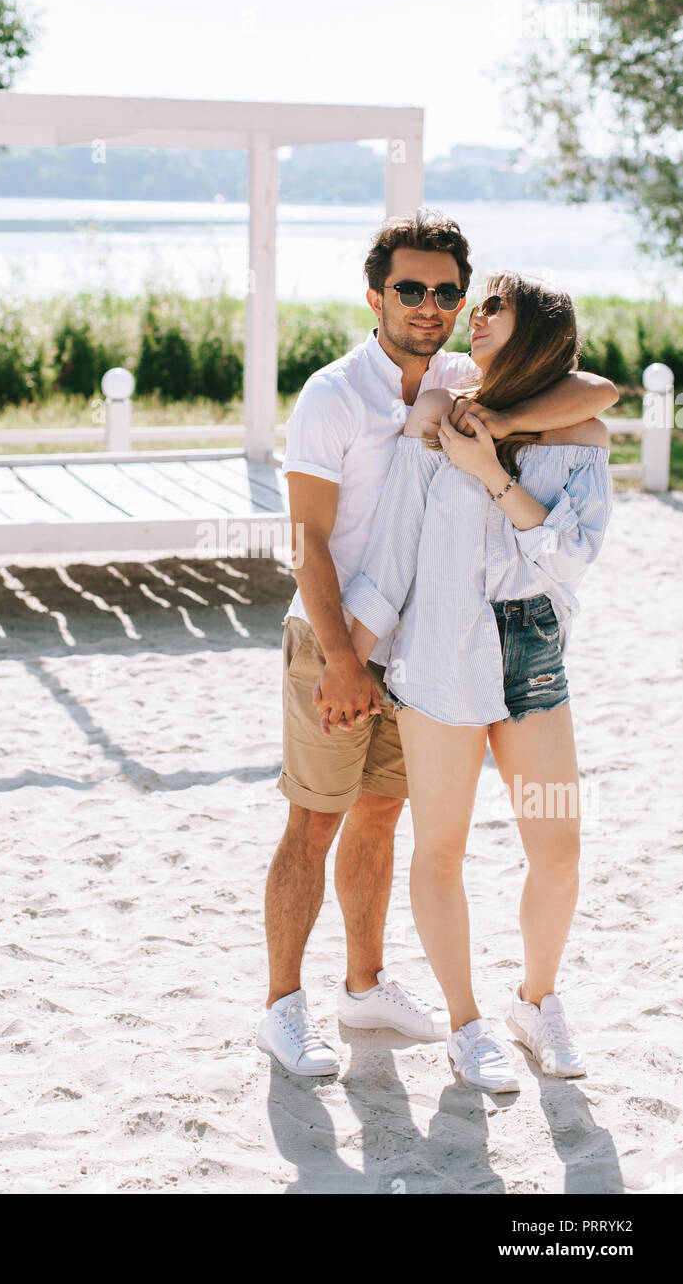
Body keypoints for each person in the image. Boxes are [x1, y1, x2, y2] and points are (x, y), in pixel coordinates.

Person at [255, 209, 619, 1079]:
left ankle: (380, 985)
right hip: (365, 638)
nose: (432, 303)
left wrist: (489, 445)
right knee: (323, 822)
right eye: (411, 288)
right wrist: (346, 659)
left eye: (450, 292)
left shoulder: (465, 391)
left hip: (482, 652)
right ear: (375, 294)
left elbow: (595, 397)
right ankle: (290, 1006)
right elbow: (335, 547)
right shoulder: (346, 396)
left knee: (418, 823)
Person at [336, 270, 613, 1093]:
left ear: (531, 333)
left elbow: (568, 557)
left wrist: (490, 469)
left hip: (532, 661)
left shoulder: (582, 440)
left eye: (495, 305)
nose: (472, 314)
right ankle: (467, 1022)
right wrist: (348, 660)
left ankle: (536, 1000)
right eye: (478, 302)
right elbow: (391, 553)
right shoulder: (439, 413)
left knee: (557, 851)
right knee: (442, 848)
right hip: (439, 661)